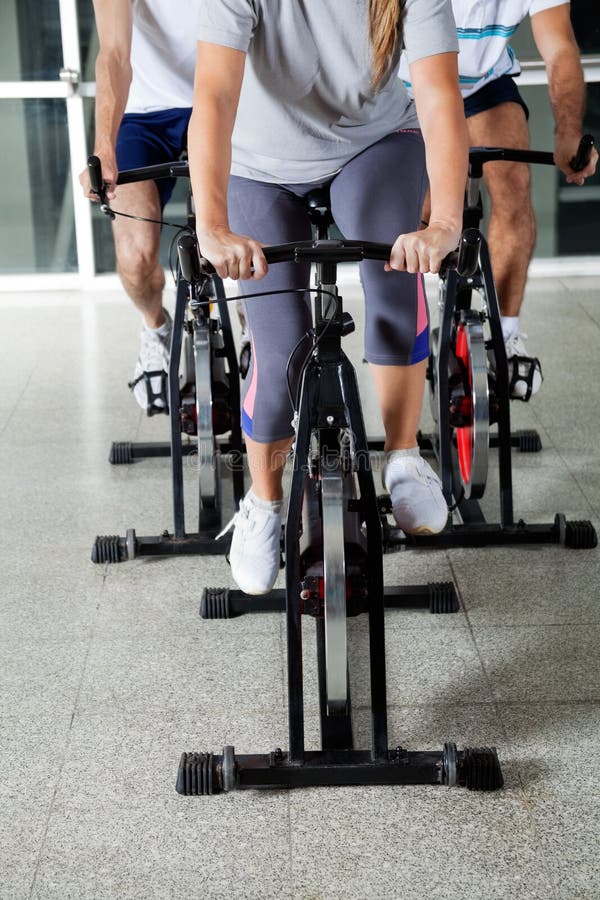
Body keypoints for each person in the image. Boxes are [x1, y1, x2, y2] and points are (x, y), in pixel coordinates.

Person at [190, 0, 468, 595]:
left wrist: (444, 221)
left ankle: (401, 454)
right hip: (258, 165)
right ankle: (264, 502)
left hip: (374, 145)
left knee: (395, 267)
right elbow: (213, 94)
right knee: (278, 344)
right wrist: (211, 224)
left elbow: (440, 95)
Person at [400, 0, 598, 399]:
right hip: (406, 82)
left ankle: (504, 338)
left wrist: (568, 133)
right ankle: (404, 338)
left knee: (513, 189)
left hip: (484, 85)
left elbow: (560, 49)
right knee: (416, 210)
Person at [79, 0, 201, 414]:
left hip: (225, 102)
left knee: (242, 228)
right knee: (135, 255)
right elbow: (114, 52)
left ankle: (253, 332)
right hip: (143, 116)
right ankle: (156, 329)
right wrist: (104, 149)